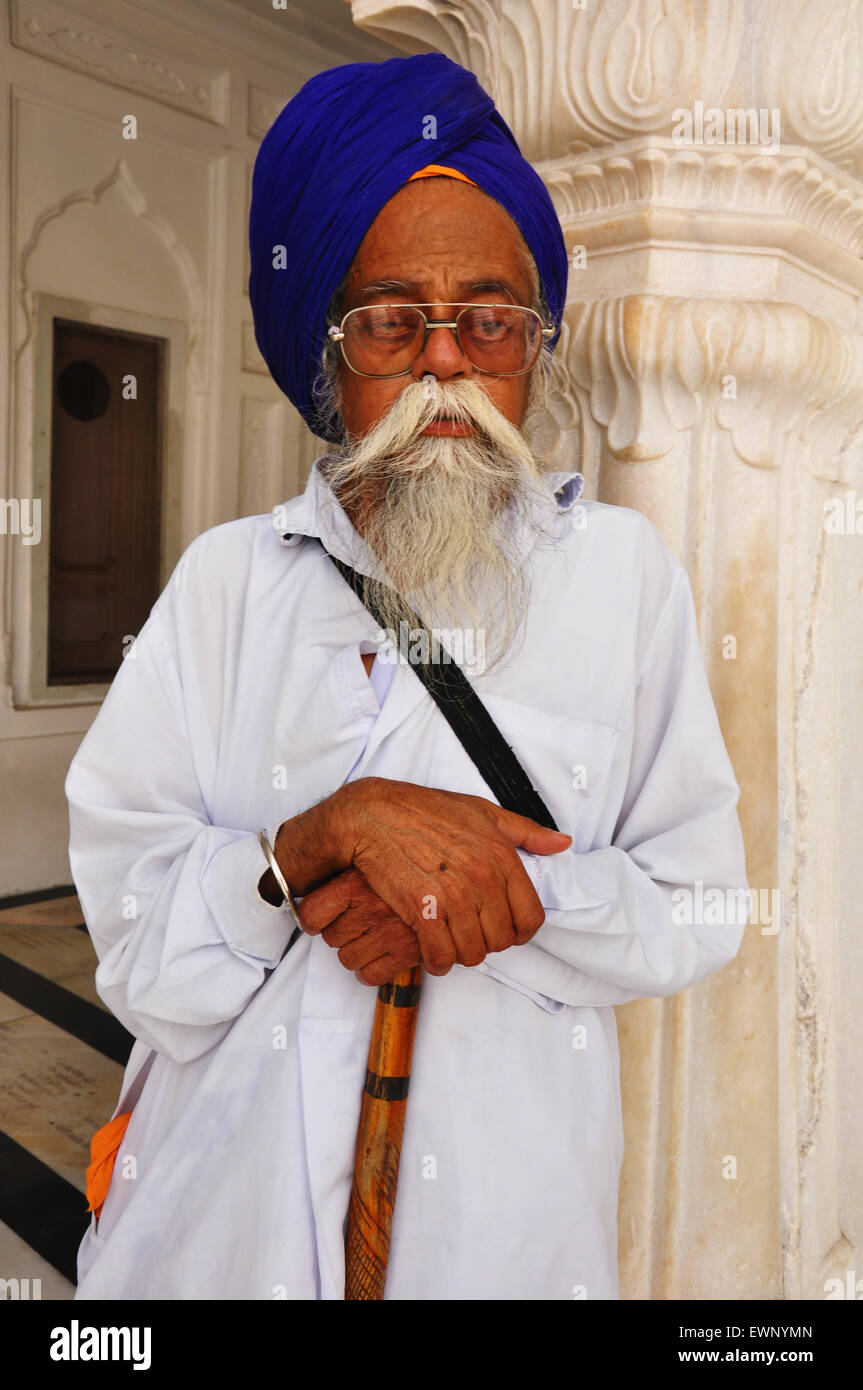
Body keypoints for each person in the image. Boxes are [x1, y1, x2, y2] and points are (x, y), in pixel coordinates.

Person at [67, 52, 748, 1301]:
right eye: (391, 320)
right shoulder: (227, 583)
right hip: (213, 1232)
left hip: (498, 1240)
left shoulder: (623, 578)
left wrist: (494, 897)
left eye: (487, 320)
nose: (444, 364)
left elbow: (698, 908)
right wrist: (312, 845)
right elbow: (133, 944)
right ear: (331, 357)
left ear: (533, 353)